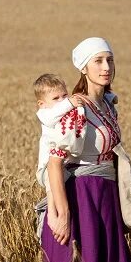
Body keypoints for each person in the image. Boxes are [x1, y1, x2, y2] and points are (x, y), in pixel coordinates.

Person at [41, 37, 131, 262]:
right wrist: (60, 213)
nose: (106, 66)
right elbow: (55, 162)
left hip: (106, 195)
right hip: (83, 194)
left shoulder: (108, 106)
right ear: (83, 67)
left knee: (110, 259)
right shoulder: (77, 109)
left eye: (109, 60)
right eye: (98, 61)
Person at [32, 73, 86, 232]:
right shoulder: (45, 114)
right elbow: (51, 117)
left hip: (64, 166)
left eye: (65, 95)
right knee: (52, 187)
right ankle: (50, 214)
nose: (62, 100)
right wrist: (70, 102)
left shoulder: (64, 113)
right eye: (56, 98)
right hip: (47, 167)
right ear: (41, 104)